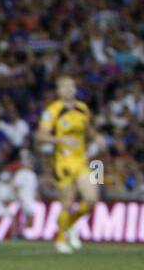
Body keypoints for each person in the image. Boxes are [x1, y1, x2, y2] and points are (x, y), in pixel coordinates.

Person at [37, 75, 100, 254]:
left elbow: (88, 128)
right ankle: (60, 239)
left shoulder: (83, 108)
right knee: (67, 203)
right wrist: (60, 138)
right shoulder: (52, 110)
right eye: (64, 87)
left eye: (71, 86)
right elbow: (40, 136)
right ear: (58, 91)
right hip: (62, 162)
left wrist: (96, 137)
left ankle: (70, 226)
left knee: (91, 199)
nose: (68, 89)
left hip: (82, 161)